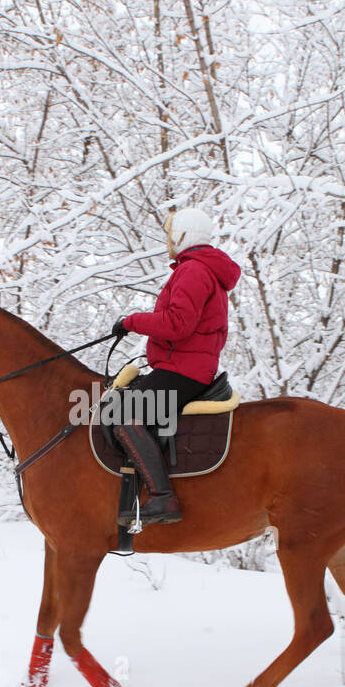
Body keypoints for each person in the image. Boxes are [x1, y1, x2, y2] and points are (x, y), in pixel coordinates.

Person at [110, 207, 241, 528]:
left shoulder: (193, 270)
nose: (168, 240)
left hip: (184, 370)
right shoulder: (202, 269)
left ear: (183, 235)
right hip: (186, 366)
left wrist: (130, 321)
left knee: (124, 417)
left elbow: (177, 324)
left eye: (171, 234)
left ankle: (162, 496)